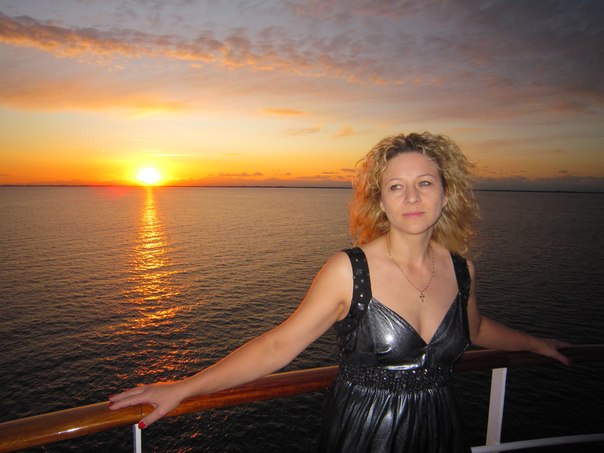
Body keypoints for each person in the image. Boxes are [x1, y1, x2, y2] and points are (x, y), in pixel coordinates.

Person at [109, 132, 570, 452]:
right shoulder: (349, 271)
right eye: (396, 186)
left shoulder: (460, 270)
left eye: (425, 183)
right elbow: (277, 346)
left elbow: (476, 328)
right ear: (382, 201)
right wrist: (184, 388)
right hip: (366, 434)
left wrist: (535, 343)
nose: (411, 197)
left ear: (446, 195)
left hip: (440, 428)